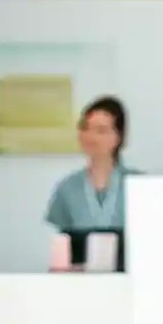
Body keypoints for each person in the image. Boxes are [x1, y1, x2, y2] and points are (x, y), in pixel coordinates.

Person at [45, 96, 137, 234]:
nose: (91, 136)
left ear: (118, 137)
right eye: (85, 128)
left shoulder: (137, 185)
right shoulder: (68, 187)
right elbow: (62, 241)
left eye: (101, 130)